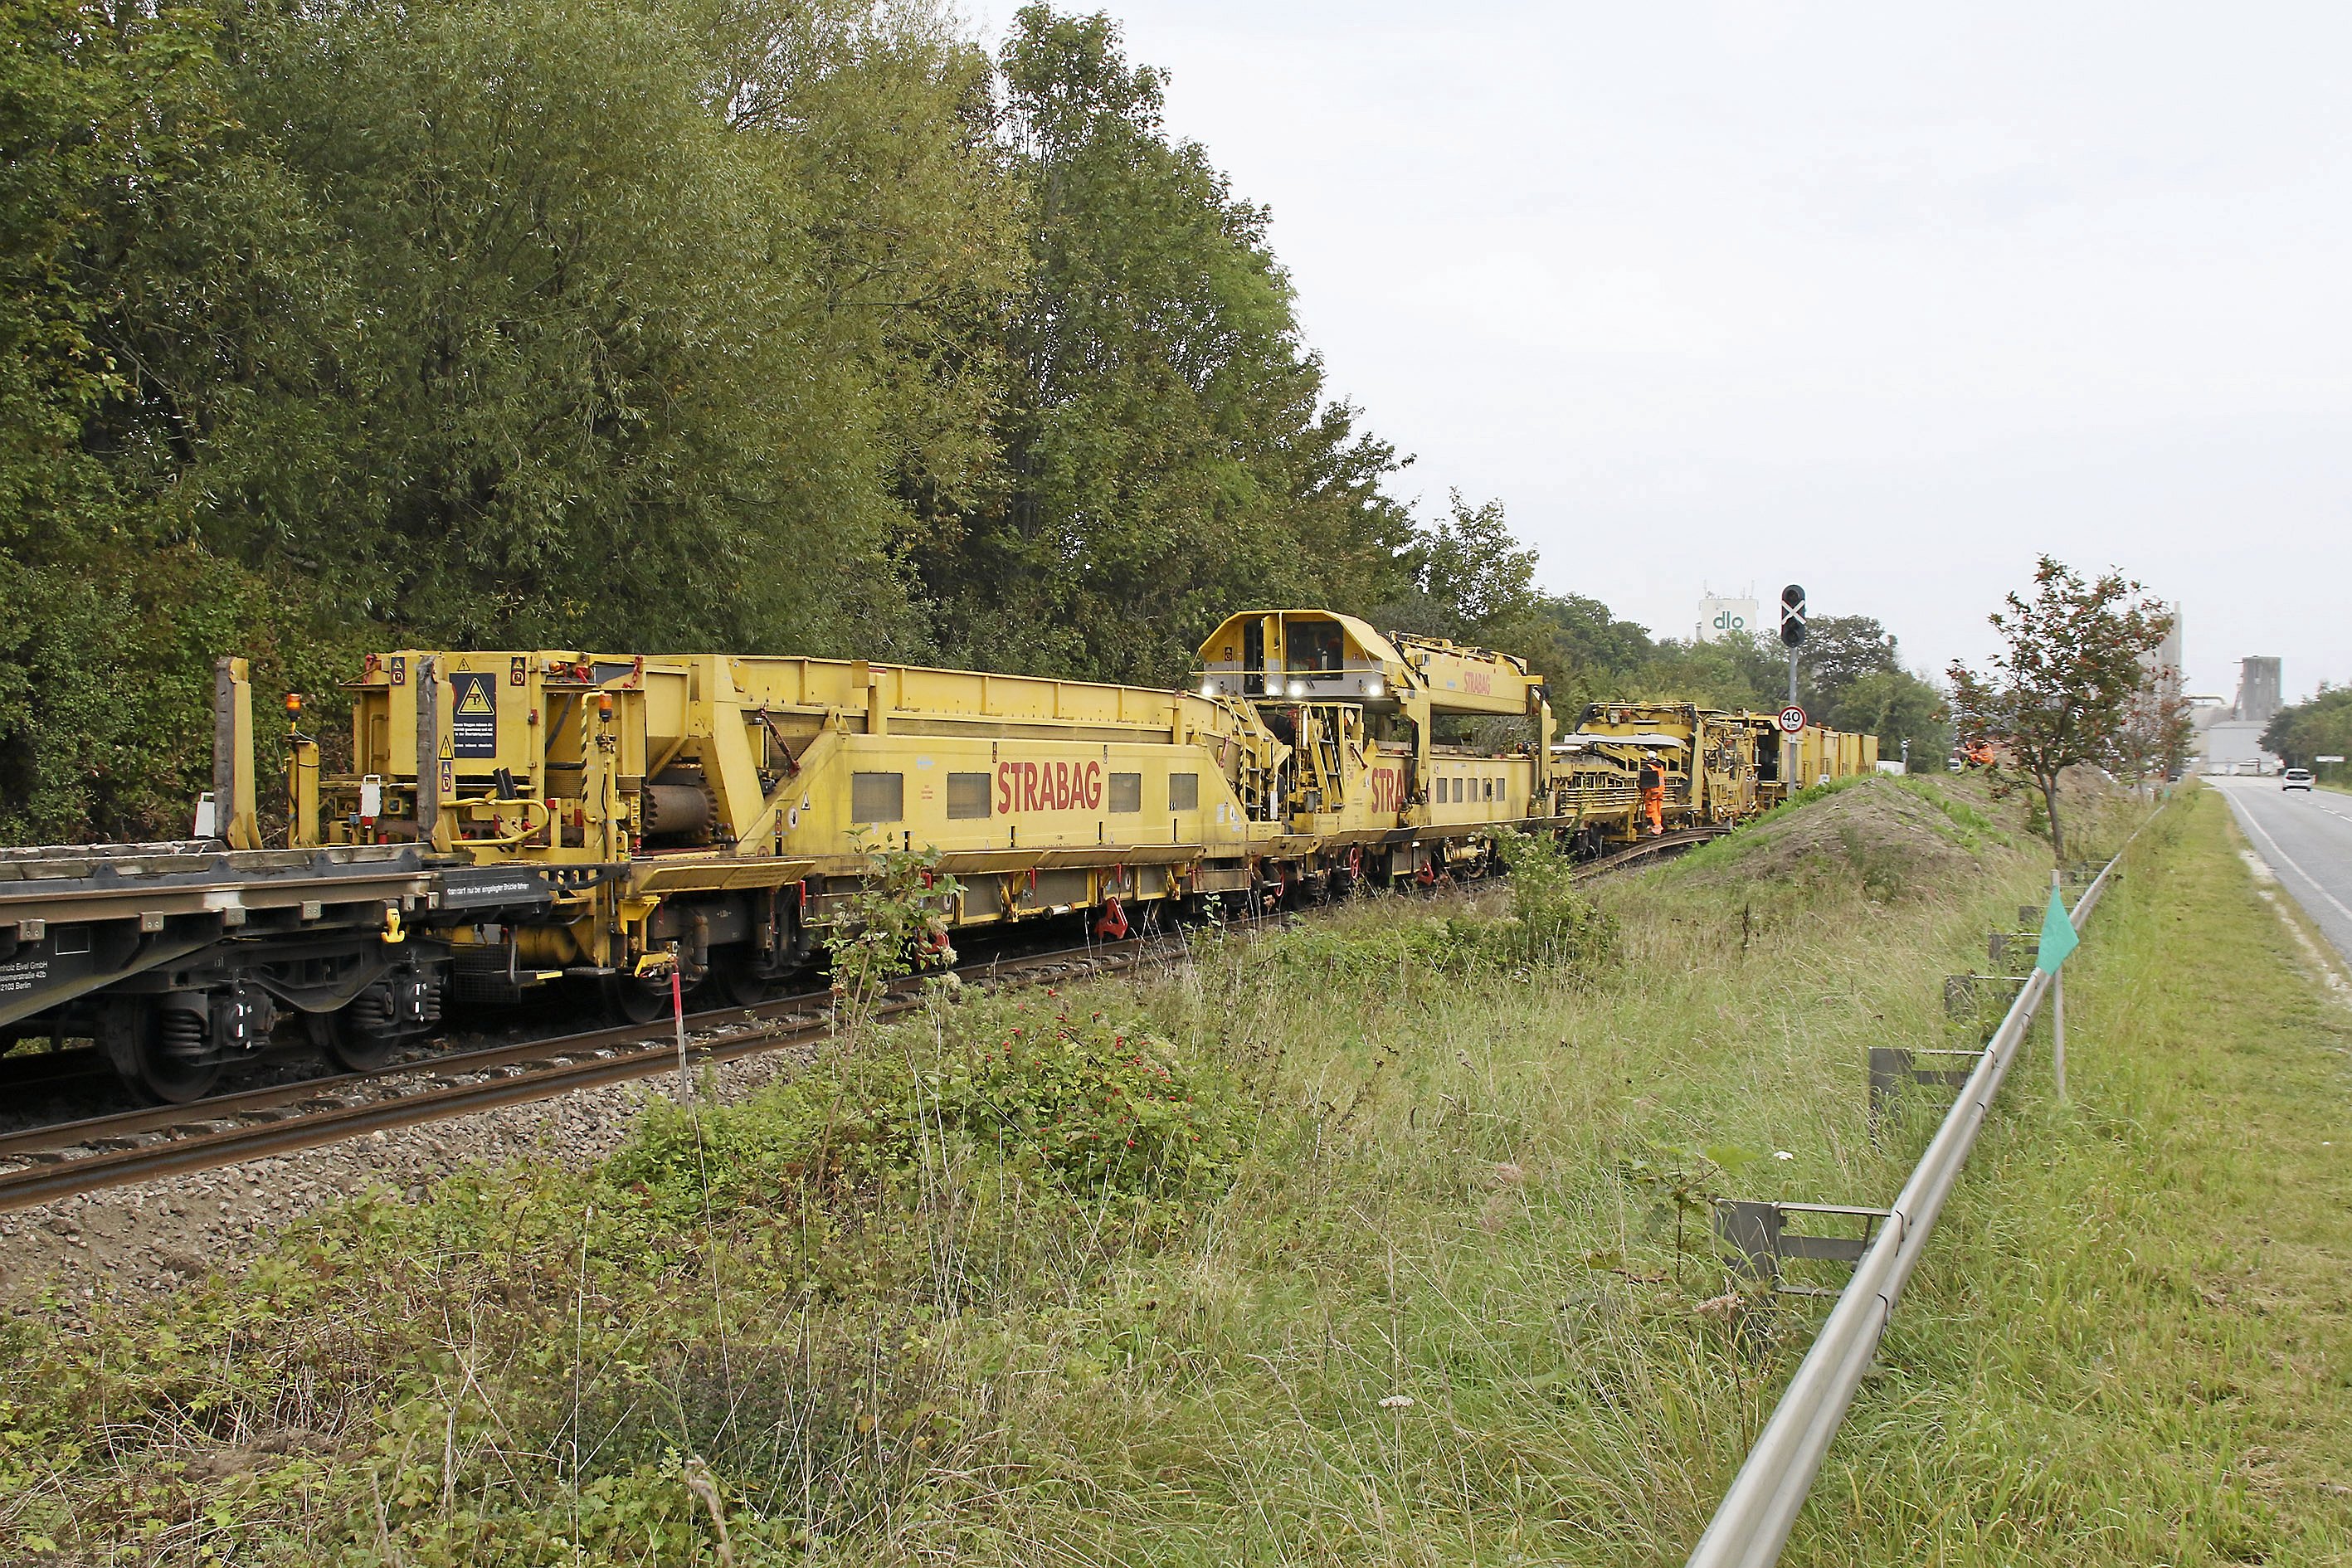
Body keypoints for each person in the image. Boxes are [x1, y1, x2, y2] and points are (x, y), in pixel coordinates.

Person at [1638, 757, 1665, 837]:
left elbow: (1644, 781)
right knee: (1658, 810)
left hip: (1652, 791)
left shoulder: (1649, 767)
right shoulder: (1661, 766)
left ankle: (1655, 829)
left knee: (1651, 810)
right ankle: (1658, 826)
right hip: (1660, 790)